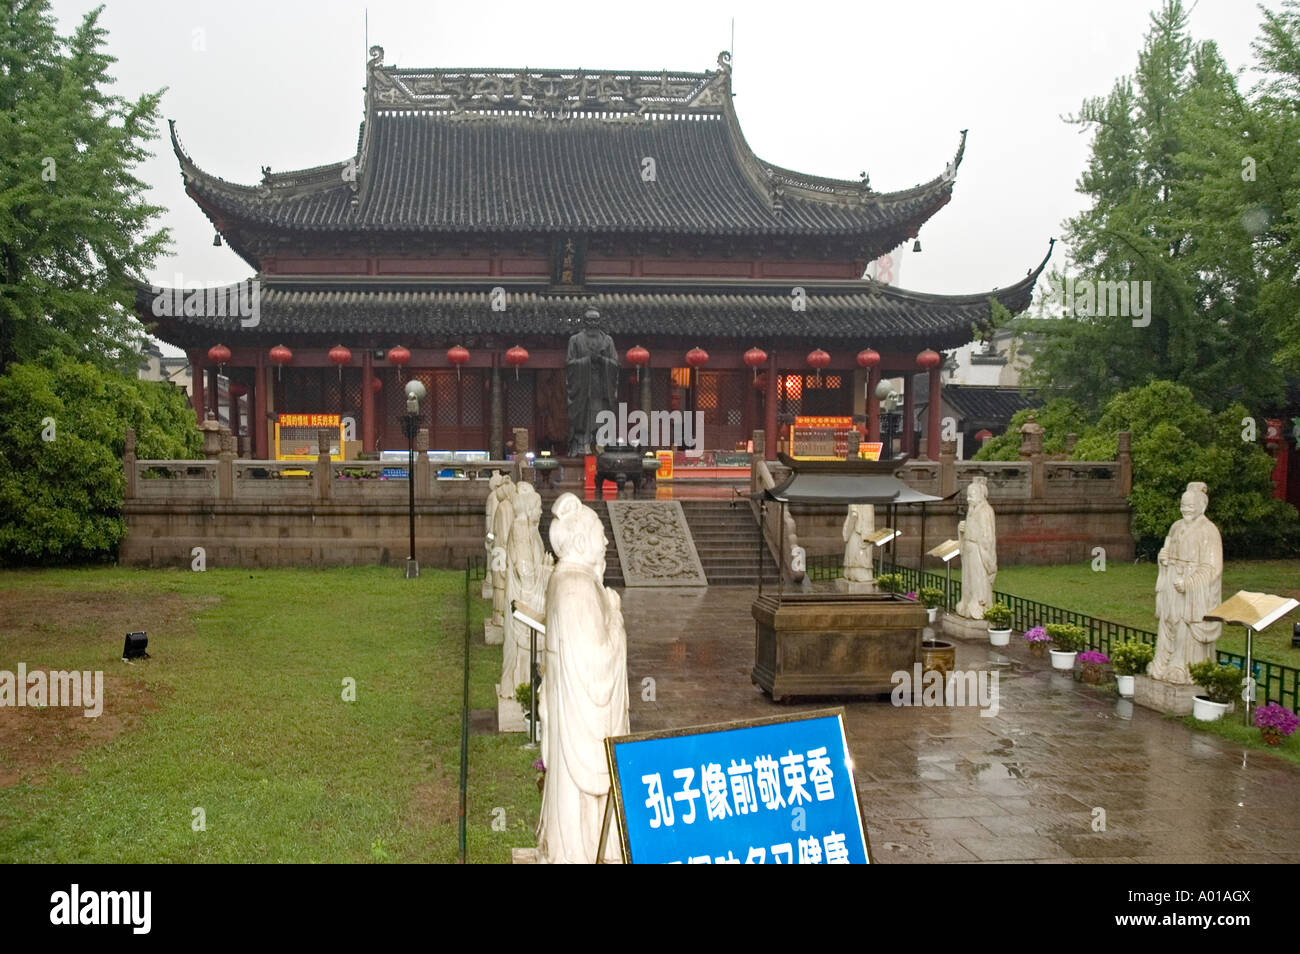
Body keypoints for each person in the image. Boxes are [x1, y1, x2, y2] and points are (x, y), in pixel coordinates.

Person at [538, 493, 628, 864]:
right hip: (580, 725)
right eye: (599, 532)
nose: (607, 541)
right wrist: (616, 621)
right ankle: (583, 850)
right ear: (578, 541)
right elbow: (596, 667)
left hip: (568, 717)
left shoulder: (571, 581)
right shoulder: (576, 589)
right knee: (580, 802)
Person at [1150, 482, 1222, 684]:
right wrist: (1163, 560)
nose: (1186, 509)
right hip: (1172, 583)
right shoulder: (1176, 527)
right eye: (1183, 505)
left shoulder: (1209, 531)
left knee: (1184, 628)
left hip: (1191, 591)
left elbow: (1213, 568)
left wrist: (1190, 582)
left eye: (1190, 506)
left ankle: (1183, 668)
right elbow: (1167, 551)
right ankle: (1162, 663)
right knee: (1168, 622)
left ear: (1202, 506)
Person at [564, 308, 619, 456]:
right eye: (590, 320)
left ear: (600, 322)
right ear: (585, 321)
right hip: (582, 388)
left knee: (602, 415)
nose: (593, 323)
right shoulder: (575, 340)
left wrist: (601, 360)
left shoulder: (607, 341)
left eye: (596, 320)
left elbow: (614, 364)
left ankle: (602, 446)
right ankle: (582, 445)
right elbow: (569, 364)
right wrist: (587, 361)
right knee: (584, 416)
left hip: (602, 387)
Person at [954, 477, 997, 619]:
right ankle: (966, 603)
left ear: (980, 495)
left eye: (971, 496)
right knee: (968, 580)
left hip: (979, 552)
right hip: (969, 550)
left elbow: (987, 537)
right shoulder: (972, 509)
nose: (968, 499)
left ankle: (978, 606)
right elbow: (971, 530)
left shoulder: (985, 510)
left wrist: (971, 533)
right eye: (967, 496)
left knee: (978, 580)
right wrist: (962, 530)